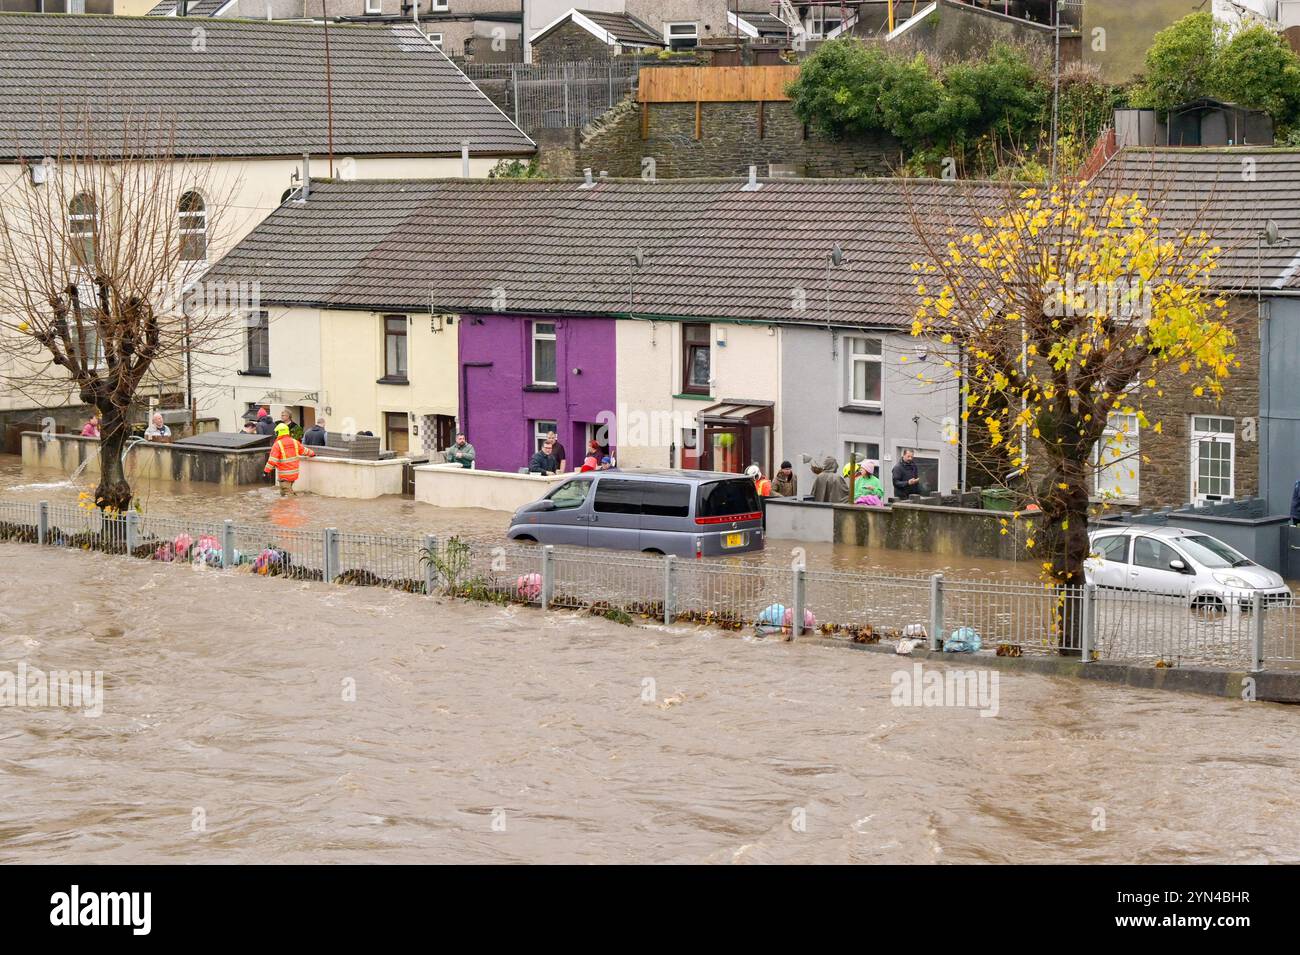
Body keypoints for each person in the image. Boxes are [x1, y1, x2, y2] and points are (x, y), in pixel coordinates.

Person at [264, 422, 315, 495]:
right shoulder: (295, 442)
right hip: (294, 474)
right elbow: (305, 450)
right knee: (285, 493)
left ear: (279, 432)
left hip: (284, 475)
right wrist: (313, 453)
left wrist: (266, 471)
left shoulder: (277, 444)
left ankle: (294, 504)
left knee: (288, 497)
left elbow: (272, 460)